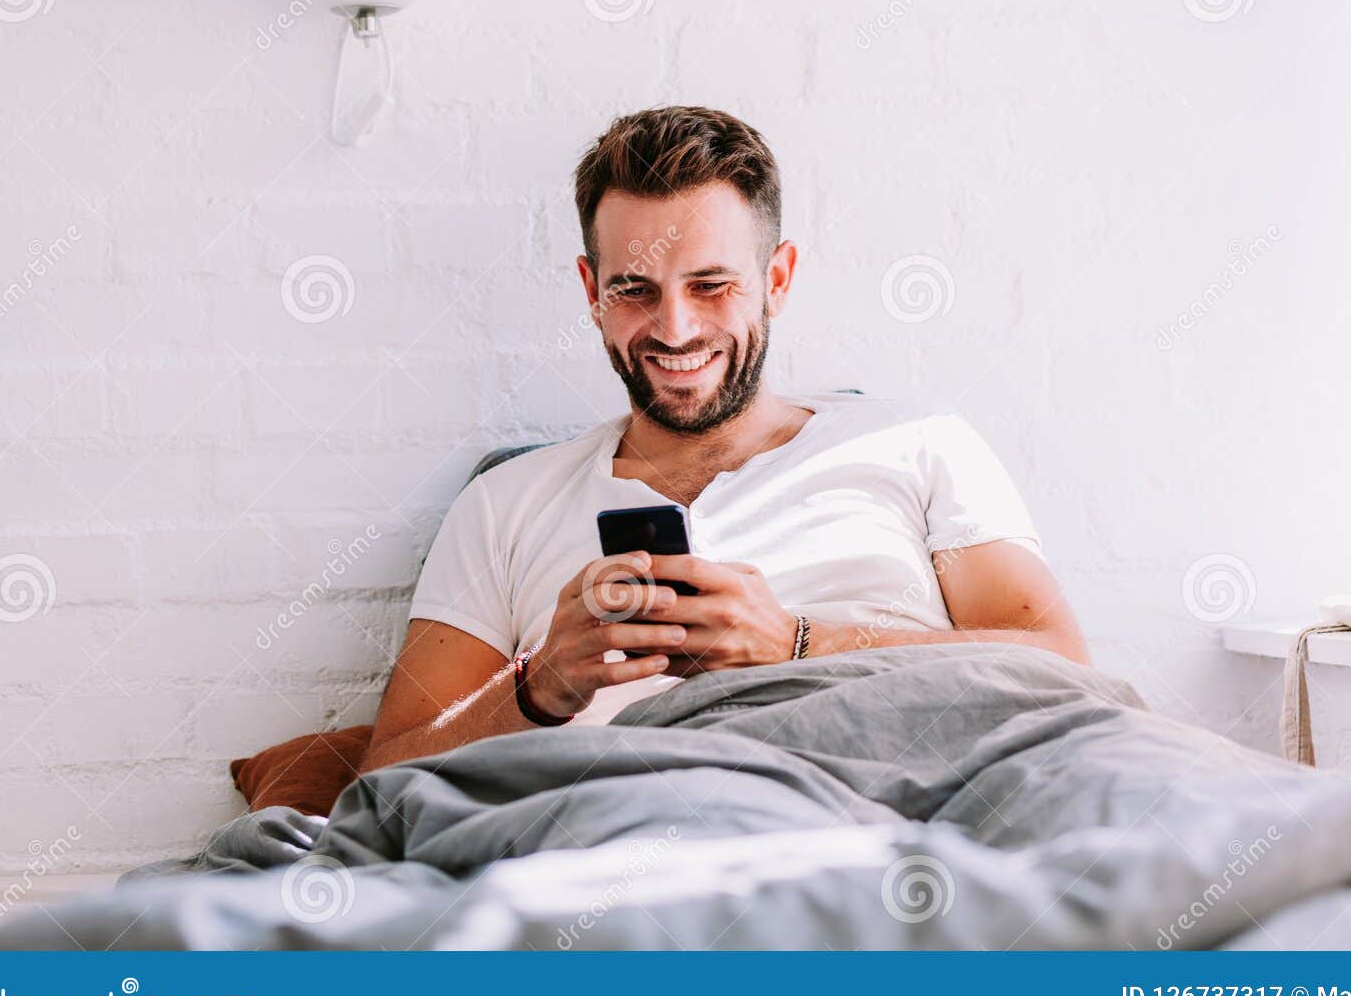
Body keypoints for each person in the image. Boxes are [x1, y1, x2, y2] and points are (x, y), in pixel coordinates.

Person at [361, 106, 1087, 772]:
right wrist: (538, 688)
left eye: (712, 285)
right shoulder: (504, 505)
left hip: (891, 801)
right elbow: (384, 780)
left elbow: (1064, 669)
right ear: (592, 292)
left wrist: (797, 643)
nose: (675, 328)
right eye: (634, 289)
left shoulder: (917, 445)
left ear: (777, 279)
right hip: (619, 827)